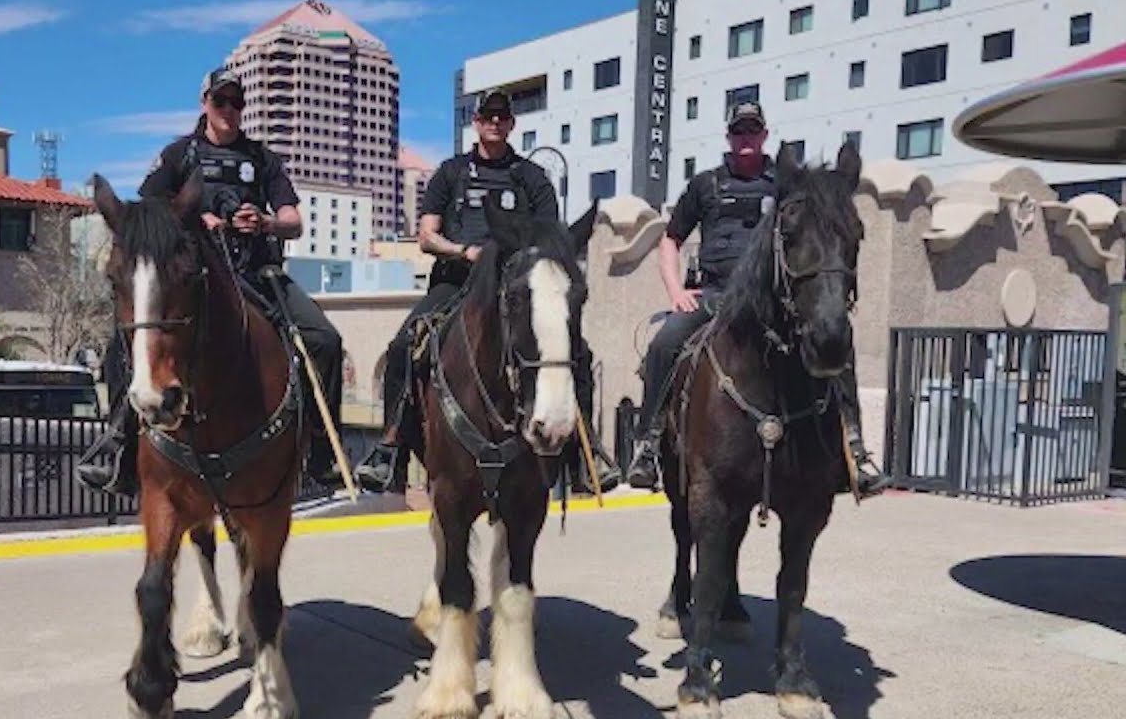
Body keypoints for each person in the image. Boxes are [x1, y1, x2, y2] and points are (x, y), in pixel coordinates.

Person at [76, 67, 344, 495]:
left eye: (237, 102)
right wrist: (196, 219)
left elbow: (294, 221)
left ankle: (319, 452)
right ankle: (117, 444)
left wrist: (266, 222)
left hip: (257, 272)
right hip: (194, 278)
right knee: (120, 345)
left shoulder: (262, 158)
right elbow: (149, 205)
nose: (229, 110)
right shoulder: (179, 154)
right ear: (205, 103)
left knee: (324, 339)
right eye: (221, 101)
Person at [353, 90, 620, 493]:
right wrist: (465, 251)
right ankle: (391, 448)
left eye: (502, 116)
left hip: (515, 287)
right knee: (403, 345)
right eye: (487, 116)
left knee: (576, 352)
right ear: (475, 123)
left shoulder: (532, 178)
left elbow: (548, 239)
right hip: (457, 280)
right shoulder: (450, 172)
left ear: (511, 123)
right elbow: (427, 236)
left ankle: (584, 454)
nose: (494, 122)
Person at [624, 101, 888, 495]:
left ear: (764, 135)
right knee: (665, 342)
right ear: (729, 137)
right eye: (739, 131)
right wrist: (676, 291)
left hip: (771, 300)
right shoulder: (705, 185)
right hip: (714, 295)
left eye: (753, 130)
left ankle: (854, 447)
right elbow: (671, 239)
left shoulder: (781, 182)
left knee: (837, 339)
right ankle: (648, 443)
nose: (746, 137)